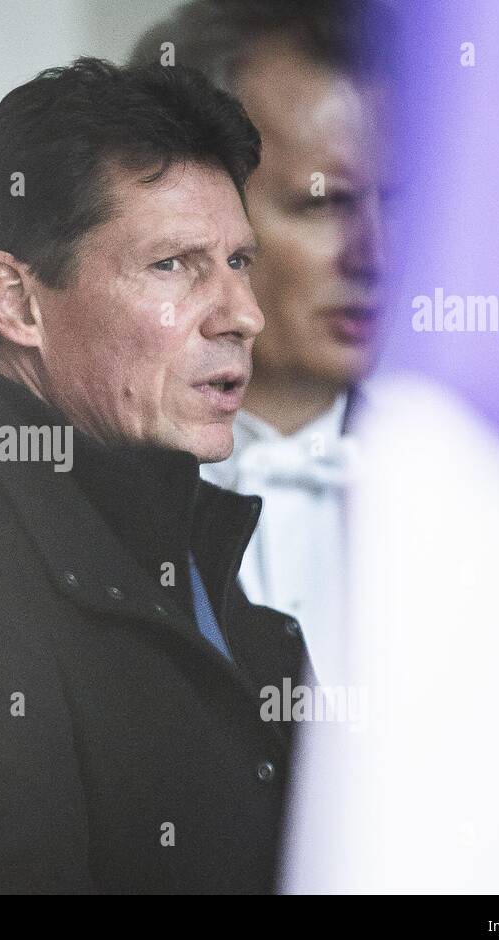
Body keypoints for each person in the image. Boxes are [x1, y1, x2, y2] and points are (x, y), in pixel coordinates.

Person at [0, 57, 311, 893]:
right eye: (174, 265)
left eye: (240, 262)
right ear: (17, 302)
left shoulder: (198, 567)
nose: (243, 315)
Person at [131, 0, 393, 686]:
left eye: (398, 203)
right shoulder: (60, 508)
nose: (379, 255)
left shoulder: (495, 490)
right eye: (325, 203)